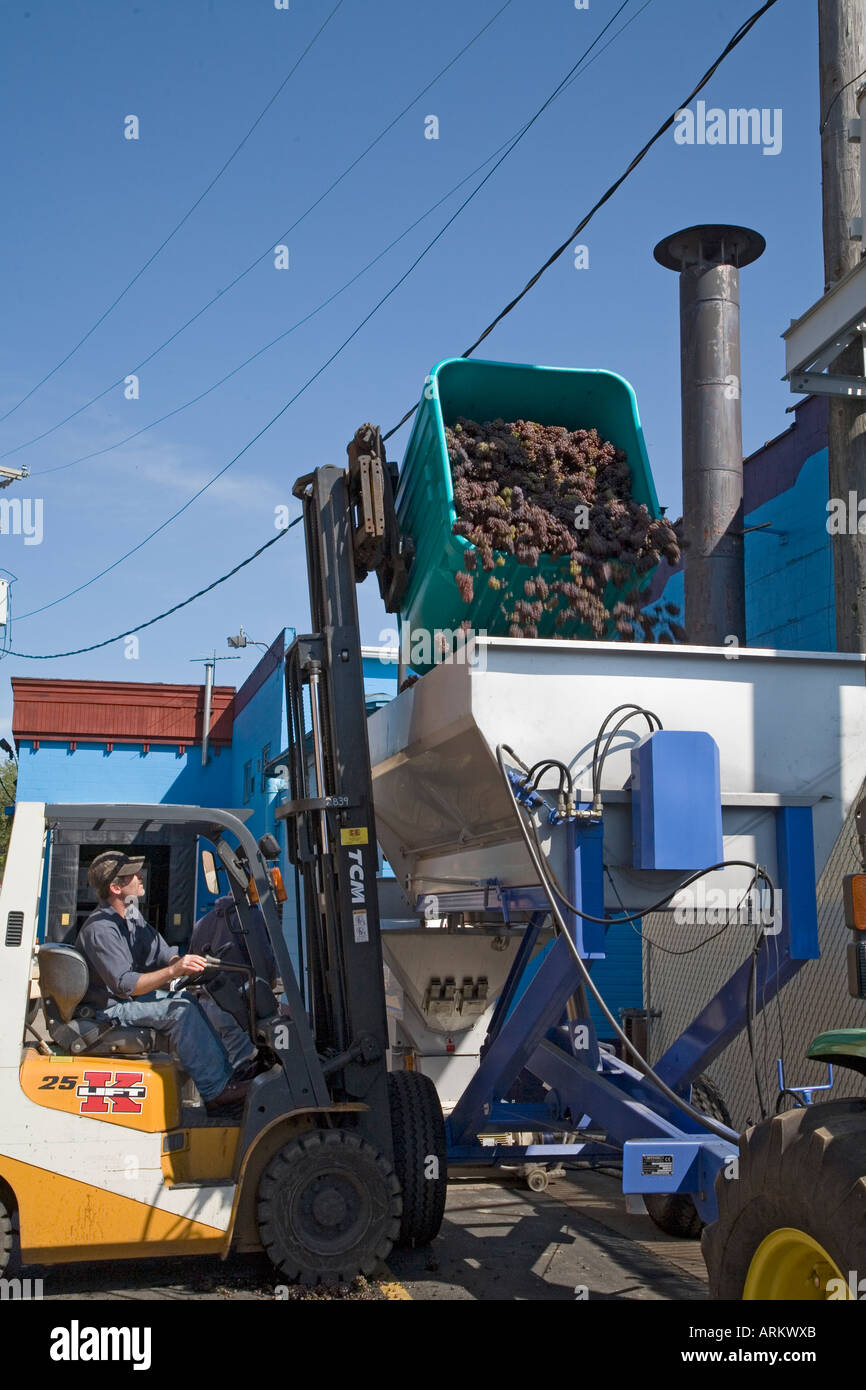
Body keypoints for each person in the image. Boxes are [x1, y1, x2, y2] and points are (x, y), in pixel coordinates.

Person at [78, 850, 260, 1112]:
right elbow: (127, 985)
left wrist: (185, 963)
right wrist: (174, 972)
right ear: (116, 887)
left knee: (193, 1000)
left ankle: (228, 1075)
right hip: (107, 1010)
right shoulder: (101, 929)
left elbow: (163, 955)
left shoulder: (130, 917)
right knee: (180, 1010)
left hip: (127, 1000)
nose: (141, 877)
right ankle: (217, 1091)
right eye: (133, 875)